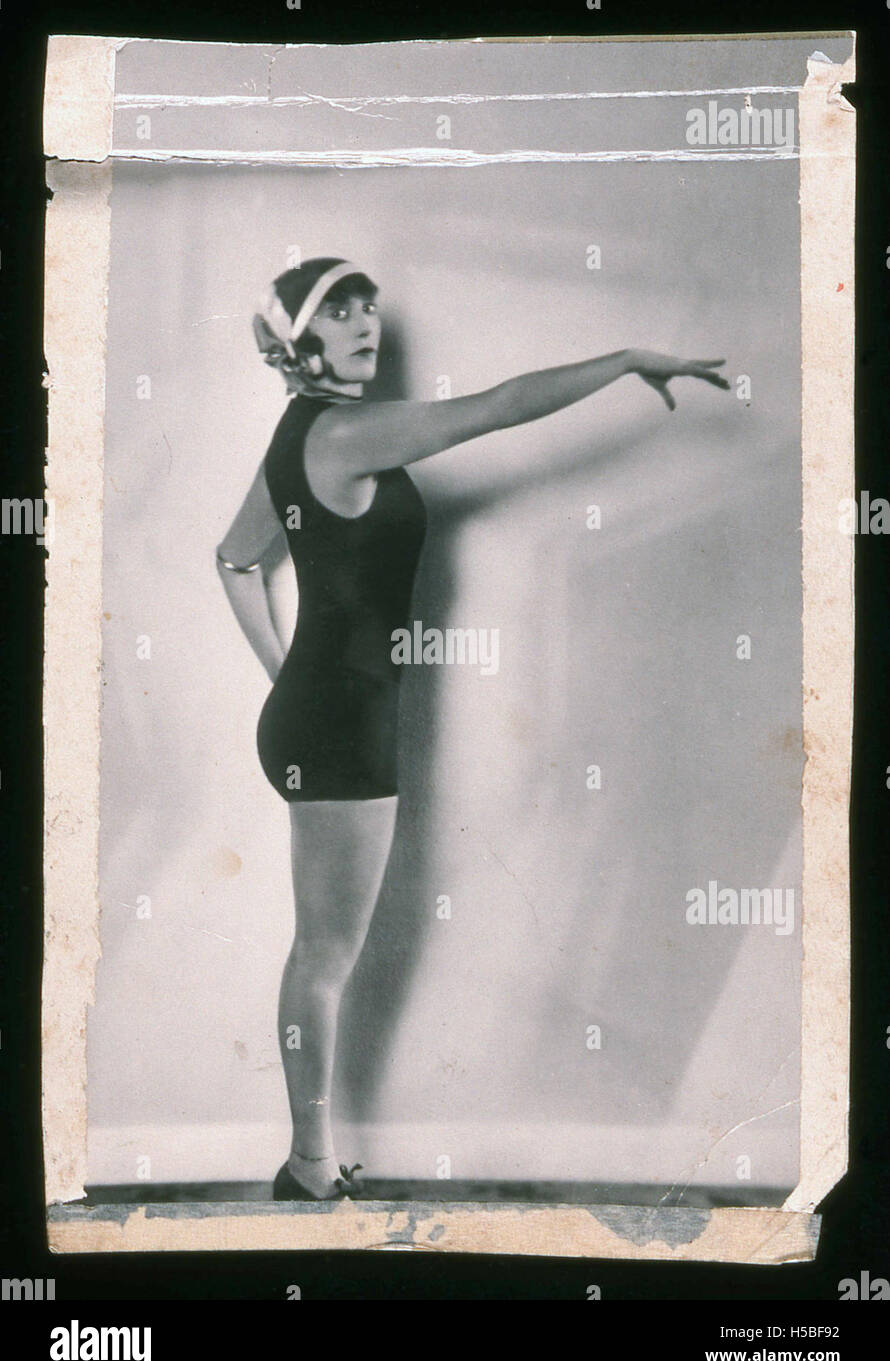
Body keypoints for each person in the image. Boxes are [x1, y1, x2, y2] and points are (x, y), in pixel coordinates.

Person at [215, 255, 729, 1200]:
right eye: (341, 311)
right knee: (326, 956)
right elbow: (497, 407)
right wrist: (622, 360)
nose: (367, 322)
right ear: (299, 339)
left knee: (321, 949)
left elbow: (235, 559)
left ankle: (309, 1160)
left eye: (370, 306)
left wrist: (279, 675)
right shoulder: (350, 433)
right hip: (338, 726)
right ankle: (308, 1167)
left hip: (316, 713)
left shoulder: (298, 439)